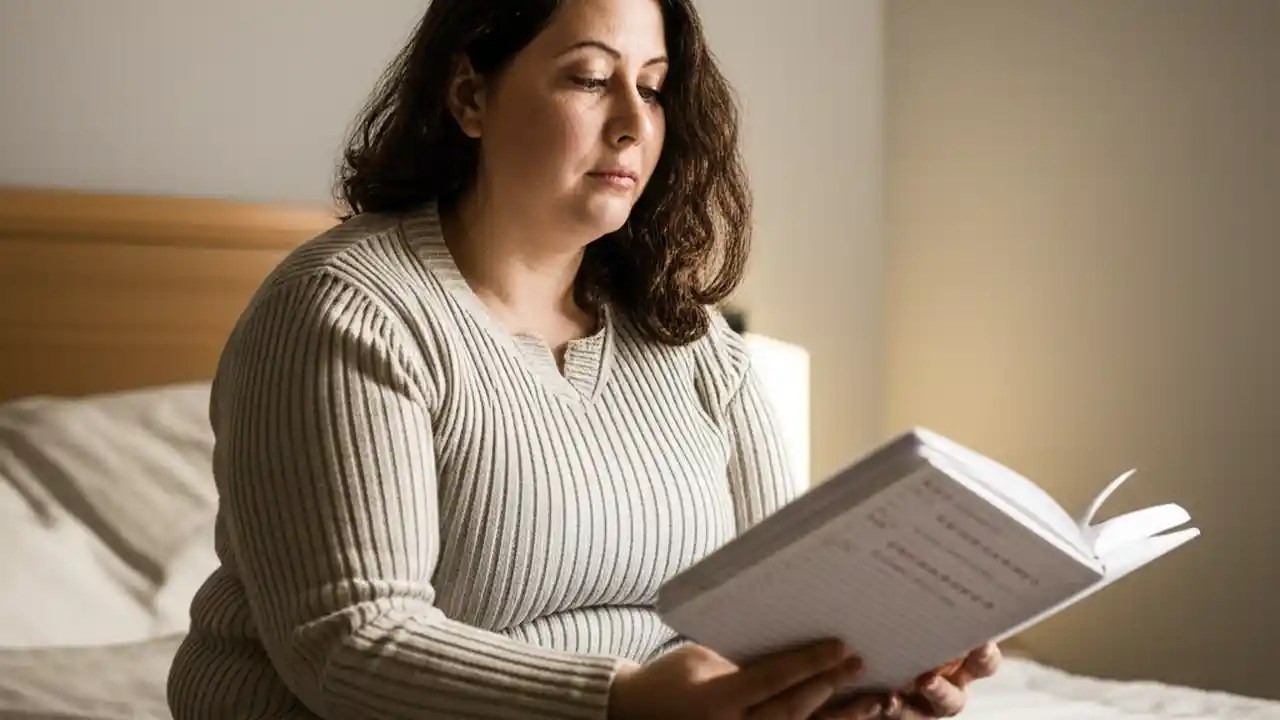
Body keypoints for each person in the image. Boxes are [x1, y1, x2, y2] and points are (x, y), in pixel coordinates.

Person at [167, 0, 1001, 718]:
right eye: (592, 78)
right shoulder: (347, 311)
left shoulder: (695, 344)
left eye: (654, 87)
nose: (634, 122)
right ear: (470, 95)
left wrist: (851, 676)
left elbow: (771, 624)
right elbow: (349, 646)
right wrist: (621, 701)